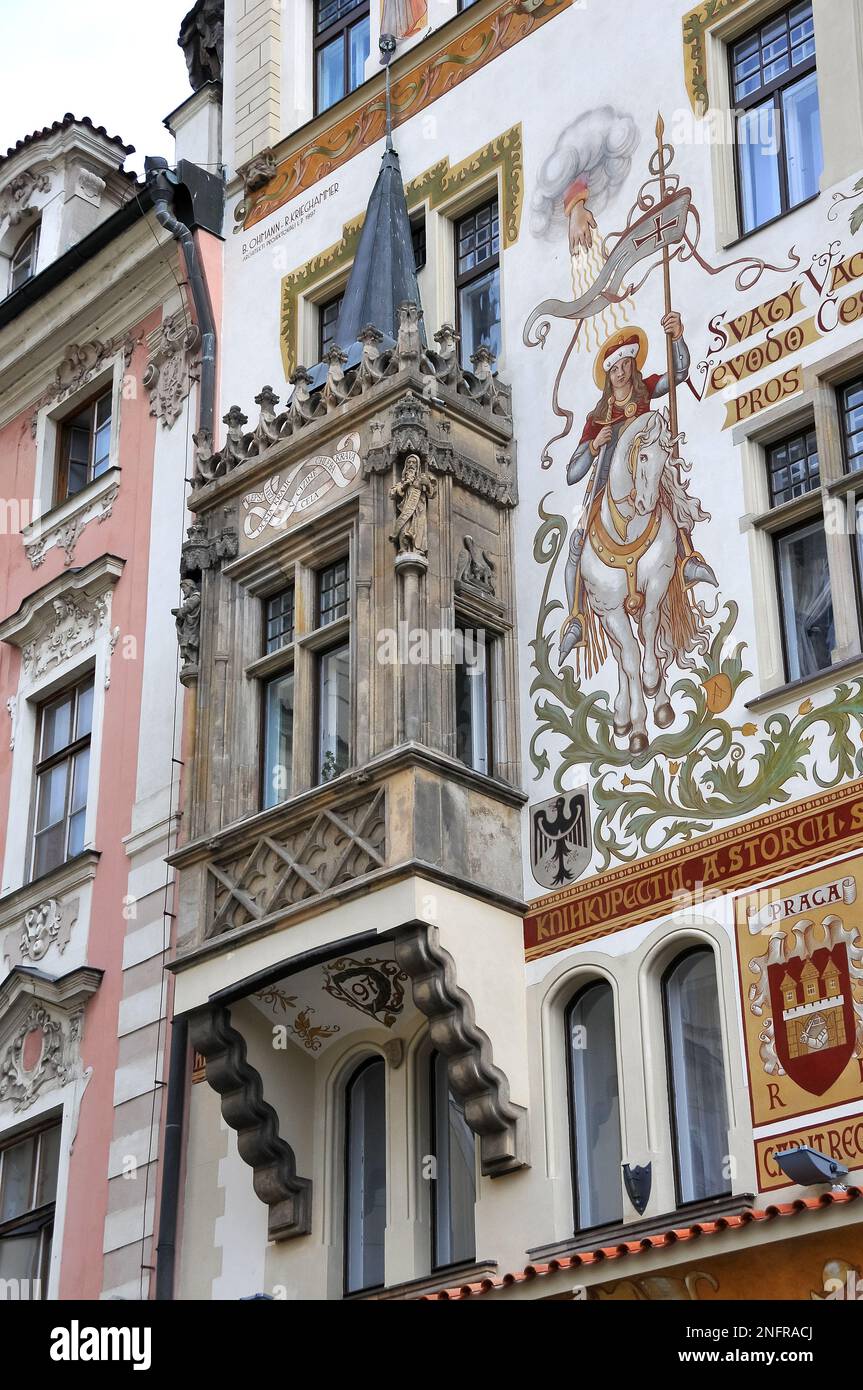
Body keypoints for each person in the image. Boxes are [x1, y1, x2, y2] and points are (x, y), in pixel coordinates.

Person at [559, 314, 717, 662]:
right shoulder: (597, 417)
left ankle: (687, 558)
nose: (621, 372)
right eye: (614, 367)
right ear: (607, 375)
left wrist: (677, 339)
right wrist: (593, 446)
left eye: (626, 364)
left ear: (633, 366)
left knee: (673, 501)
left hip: (647, 474)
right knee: (575, 545)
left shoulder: (645, 392)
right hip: (604, 488)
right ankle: (576, 617)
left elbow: (678, 375)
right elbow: (572, 473)